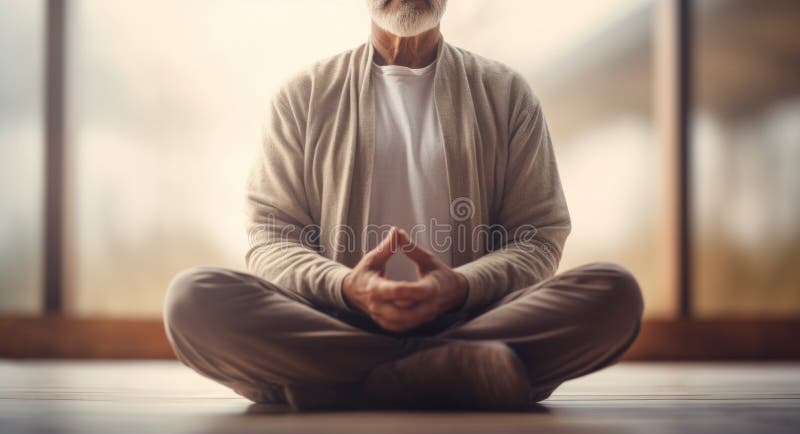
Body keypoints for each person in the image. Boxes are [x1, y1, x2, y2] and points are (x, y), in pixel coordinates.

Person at [163, 0, 643, 411]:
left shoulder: (506, 93)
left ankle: (334, 381)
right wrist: (347, 286)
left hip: (475, 318)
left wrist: (460, 287)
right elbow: (272, 240)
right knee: (192, 300)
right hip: (330, 320)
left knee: (614, 293)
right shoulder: (302, 96)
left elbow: (537, 238)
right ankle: (449, 371)